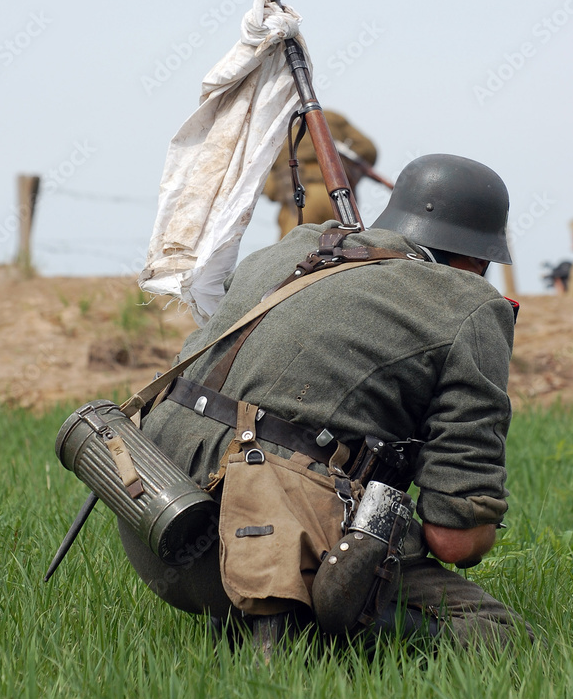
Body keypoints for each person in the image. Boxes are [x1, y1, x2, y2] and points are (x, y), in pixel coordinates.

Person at [118, 153, 534, 649]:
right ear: (477, 258)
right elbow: (456, 539)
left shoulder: (290, 249)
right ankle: (316, 624)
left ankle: (256, 617)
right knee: (507, 641)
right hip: (262, 536)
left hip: (153, 524)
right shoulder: (470, 304)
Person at [263, 110, 378, 237]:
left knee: (292, 250)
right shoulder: (328, 116)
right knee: (349, 247)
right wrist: (343, 166)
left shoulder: (271, 129)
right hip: (340, 197)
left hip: (303, 200)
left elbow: (264, 182)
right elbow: (368, 149)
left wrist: (275, 191)